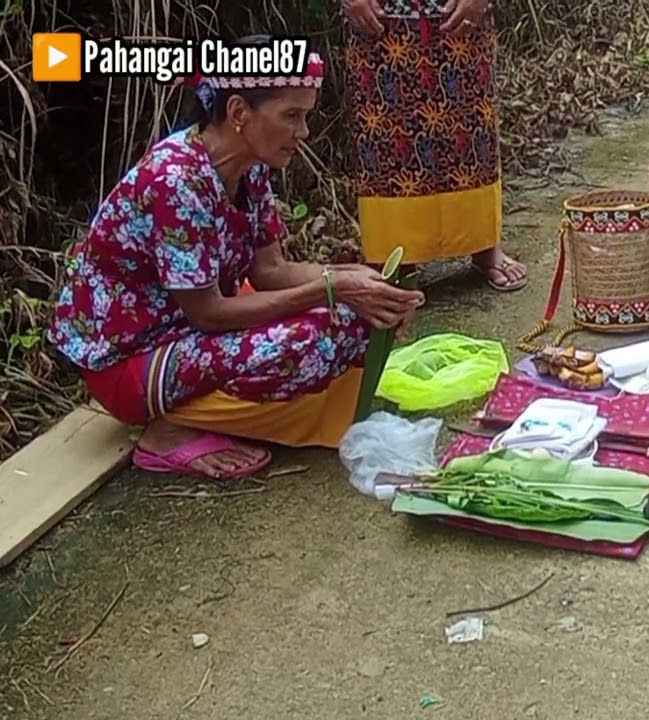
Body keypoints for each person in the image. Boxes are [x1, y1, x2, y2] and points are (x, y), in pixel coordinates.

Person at [47, 39, 425, 480]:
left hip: (185, 329)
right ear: (240, 113)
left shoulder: (252, 167)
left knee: (354, 316)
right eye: (291, 116)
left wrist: (358, 277)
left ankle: (222, 413)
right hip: (131, 359)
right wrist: (334, 287)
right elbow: (209, 313)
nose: (303, 132)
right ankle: (167, 429)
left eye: (305, 116)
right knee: (316, 333)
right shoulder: (175, 182)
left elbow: (271, 272)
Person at [341, 0, 528, 291]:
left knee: (468, 125)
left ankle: (483, 244)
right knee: (390, 134)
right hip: (381, 22)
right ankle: (395, 255)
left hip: (458, 17)